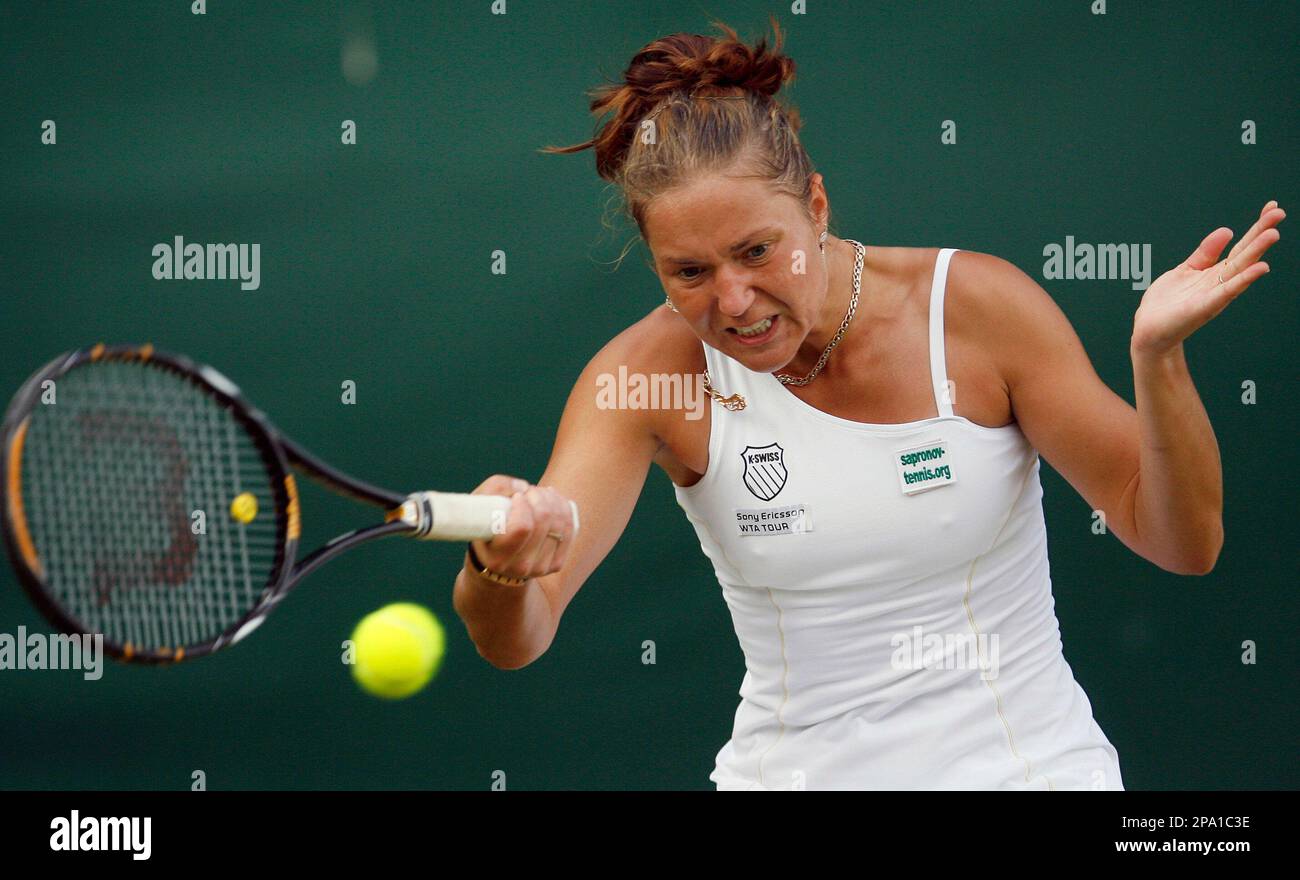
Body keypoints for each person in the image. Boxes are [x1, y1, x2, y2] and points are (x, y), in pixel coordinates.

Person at [450, 19, 1284, 790]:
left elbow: (1185, 543)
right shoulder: (643, 379)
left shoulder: (976, 309)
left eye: (757, 251)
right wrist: (501, 566)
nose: (734, 301)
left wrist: (1158, 359)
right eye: (690, 272)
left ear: (815, 207)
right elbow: (518, 635)